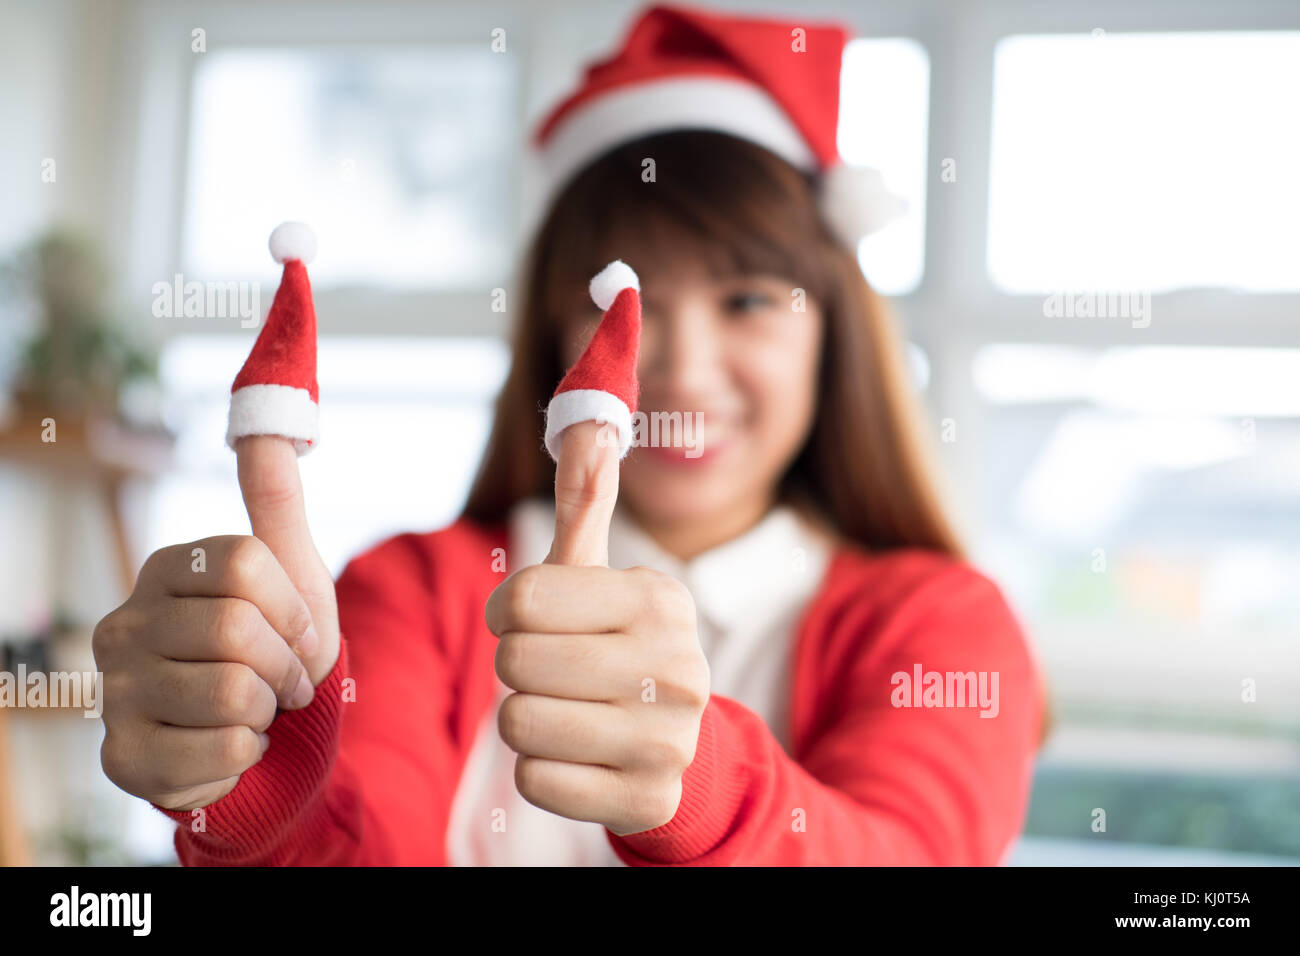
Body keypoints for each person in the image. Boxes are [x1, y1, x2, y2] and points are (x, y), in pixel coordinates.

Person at [93, 4, 1046, 865]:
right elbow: (361, 840)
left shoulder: (942, 627)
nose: (679, 367)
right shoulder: (412, 594)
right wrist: (266, 811)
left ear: (833, 333)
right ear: (550, 330)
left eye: (748, 298)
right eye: (620, 303)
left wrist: (703, 788)